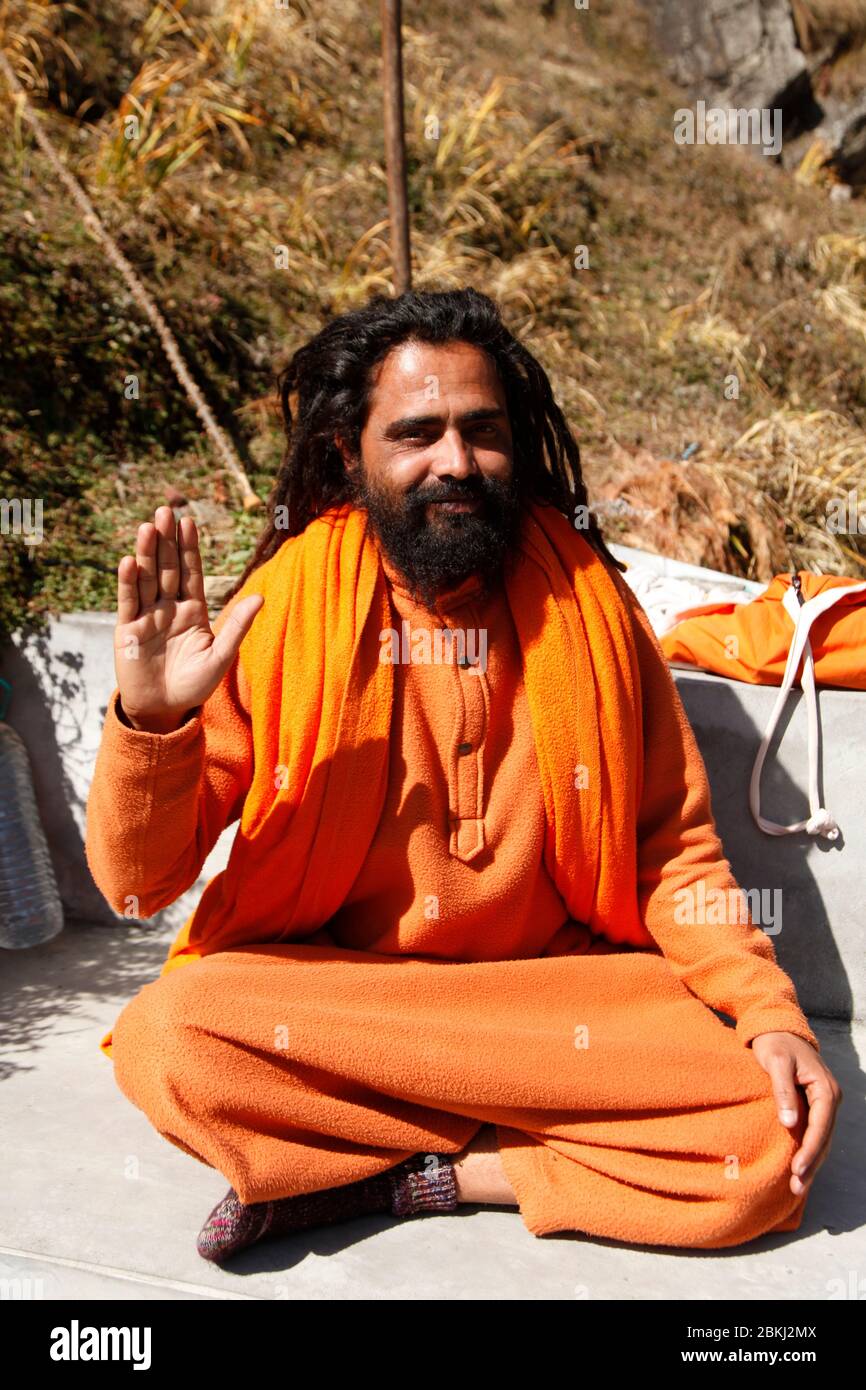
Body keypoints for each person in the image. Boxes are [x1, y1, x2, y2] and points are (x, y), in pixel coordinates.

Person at [85, 287, 841, 1266]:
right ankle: (513, 1144)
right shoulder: (281, 608)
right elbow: (135, 882)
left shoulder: (591, 606)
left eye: (480, 431)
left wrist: (770, 1014)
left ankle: (406, 1171)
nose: (455, 462)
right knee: (169, 1036)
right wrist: (153, 720)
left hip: (552, 1005)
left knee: (769, 1129)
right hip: (341, 1004)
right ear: (349, 455)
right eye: (416, 433)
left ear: (514, 443)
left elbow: (673, 852)